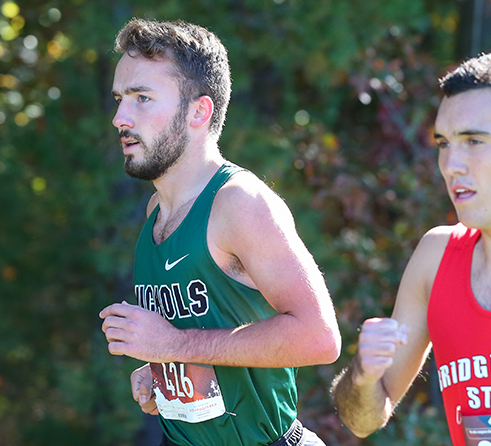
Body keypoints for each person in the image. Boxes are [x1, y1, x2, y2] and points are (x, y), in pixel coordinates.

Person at [99, 18, 341, 446]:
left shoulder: (239, 202)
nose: (120, 117)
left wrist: (175, 346)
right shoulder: (158, 208)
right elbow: (212, 331)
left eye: (141, 98)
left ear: (198, 111)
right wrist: (163, 369)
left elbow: (318, 337)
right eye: (120, 99)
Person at [330, 49, 491, 445]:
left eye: (474, 141)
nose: (450, 165)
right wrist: (363, 374)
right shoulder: (436, 257)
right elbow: (363, 420)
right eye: (444, 143)